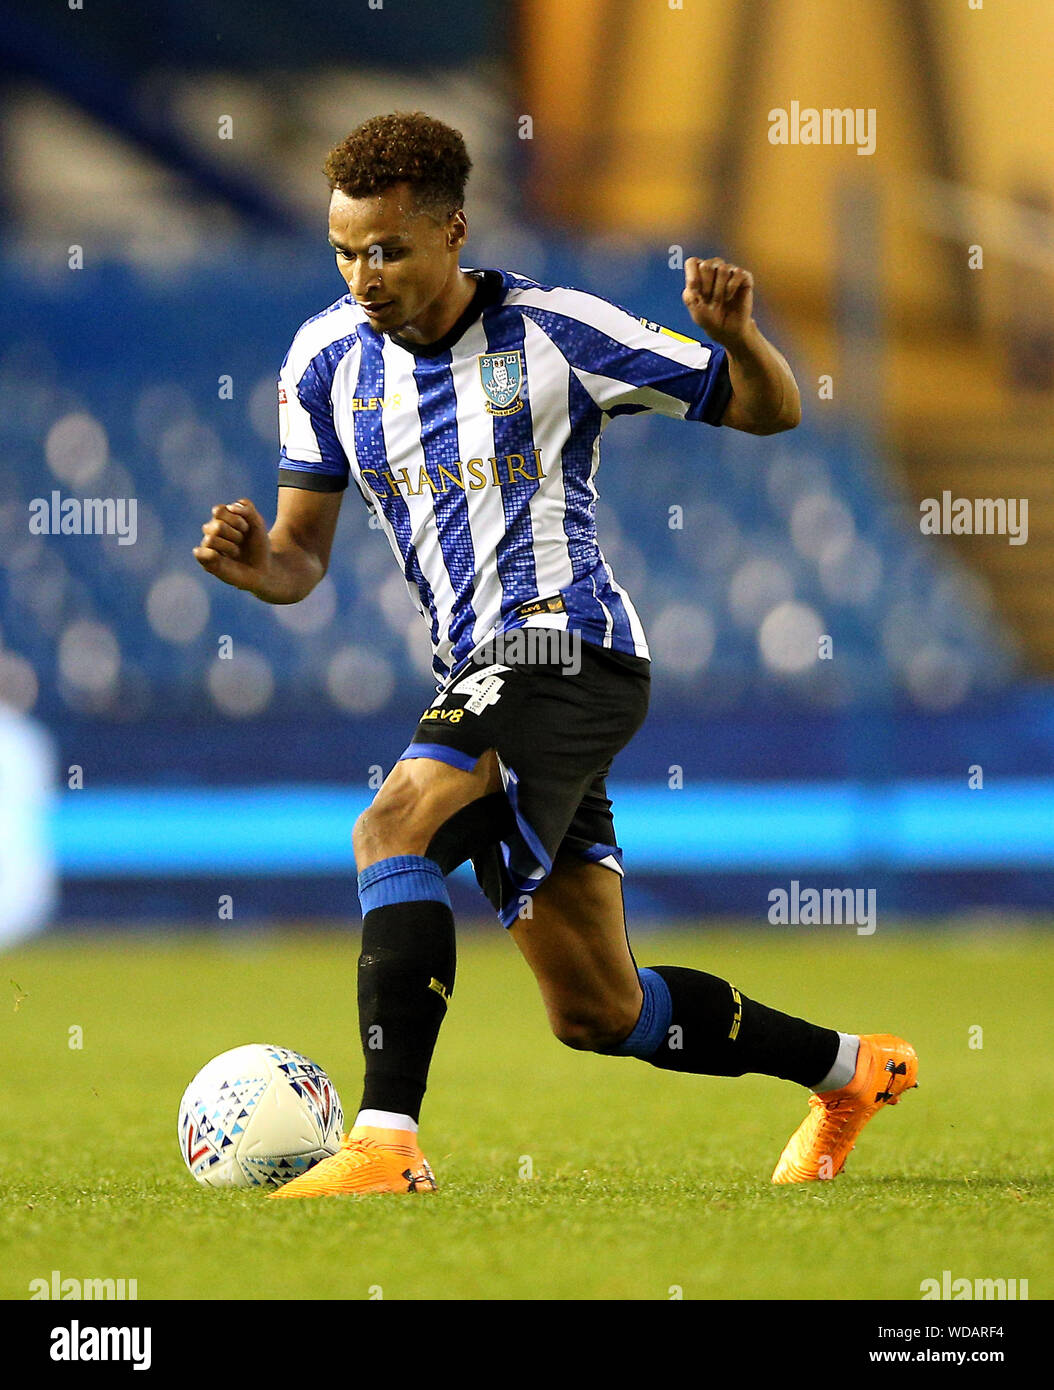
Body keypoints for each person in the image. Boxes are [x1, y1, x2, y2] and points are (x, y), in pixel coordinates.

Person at [193, 111, 916, 1197]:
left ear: (452, 231)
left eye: (386, 249)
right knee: (598, 1009)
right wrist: (256, 565)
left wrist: (742, 341)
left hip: (567, 642)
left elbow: (766, 412)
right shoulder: (324, 359)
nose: (364, 274)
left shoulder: (556, 329)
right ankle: (852, 1069)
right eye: (344, 250)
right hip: (478, 673)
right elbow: (301, 558)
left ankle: (385, 1144)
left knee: (392, 823)